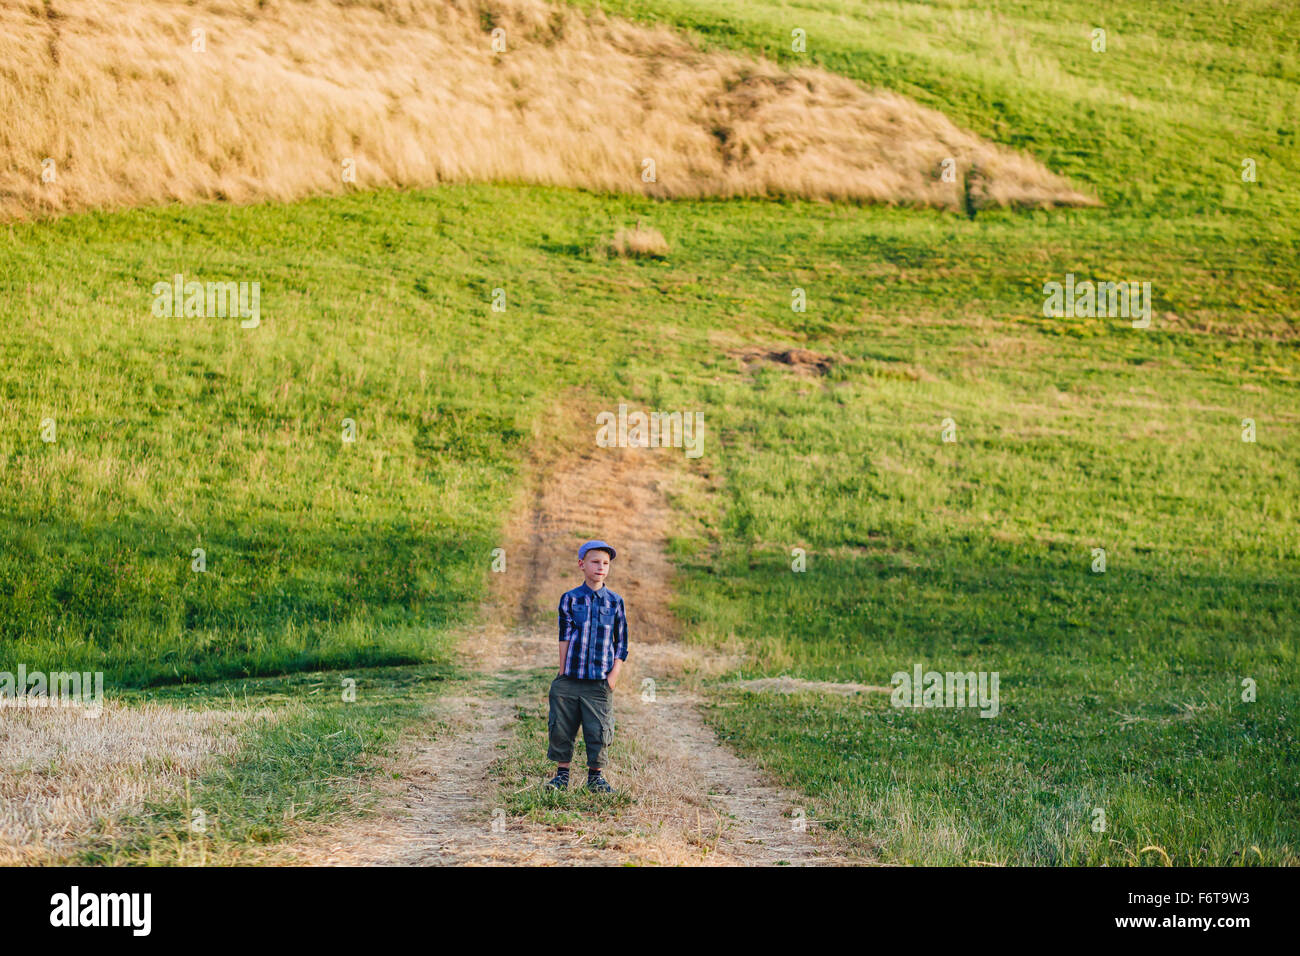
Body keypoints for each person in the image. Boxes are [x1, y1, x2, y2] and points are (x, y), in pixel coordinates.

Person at [546, 539, 628, 793]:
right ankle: (561, 775)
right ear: (582, 564)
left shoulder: (615, 602)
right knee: (561, 726)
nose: (600, 567)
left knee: (599, 730)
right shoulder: (570, 599)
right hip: (571, 677)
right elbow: (564, 636)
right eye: (595, 562)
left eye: (605, 563)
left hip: (599, 681)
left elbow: (622, 642)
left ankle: (596, 777)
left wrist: (613, 675)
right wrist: (562, 672)